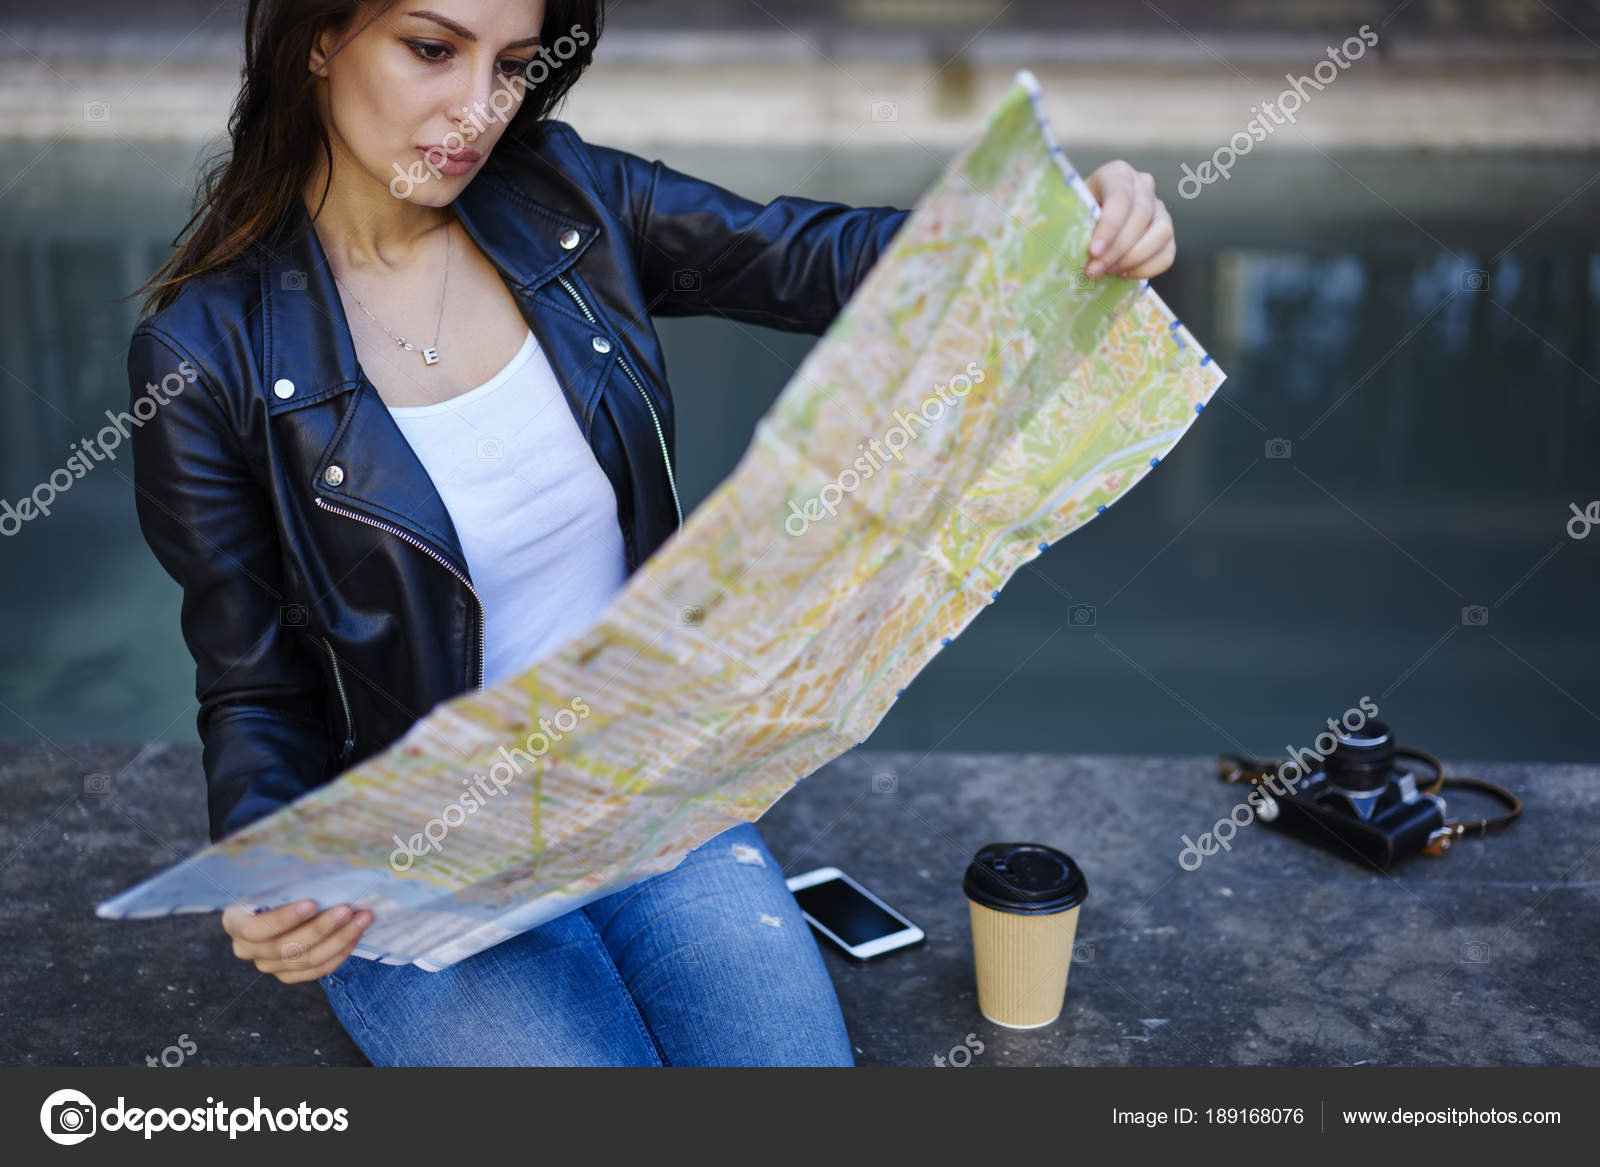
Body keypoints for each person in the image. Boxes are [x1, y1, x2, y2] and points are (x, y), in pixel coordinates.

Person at [126, 0, 1177, 1067]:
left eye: (515, 65)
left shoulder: (566, 197)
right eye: (433, 49)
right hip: (421, 870)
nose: (478, 109)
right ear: (318, 36)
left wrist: (1053, 220)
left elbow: (817, 258)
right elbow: (252, 683)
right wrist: (268, 860)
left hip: (651, 796)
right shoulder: (204, 355)